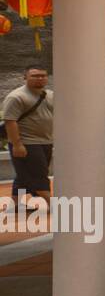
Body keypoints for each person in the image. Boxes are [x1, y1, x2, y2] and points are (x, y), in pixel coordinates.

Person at [3, 66, 53, 208]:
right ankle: (54, 205)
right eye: (35, 76)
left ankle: (15, 205)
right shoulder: (16, 97)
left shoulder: (50, 95)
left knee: (24, 174)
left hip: (45, 141)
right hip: (27, 142)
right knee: (38, 175)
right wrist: (17, 145)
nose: (40, 78)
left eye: (43, 75)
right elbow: (10, 121)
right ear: (25, 77)